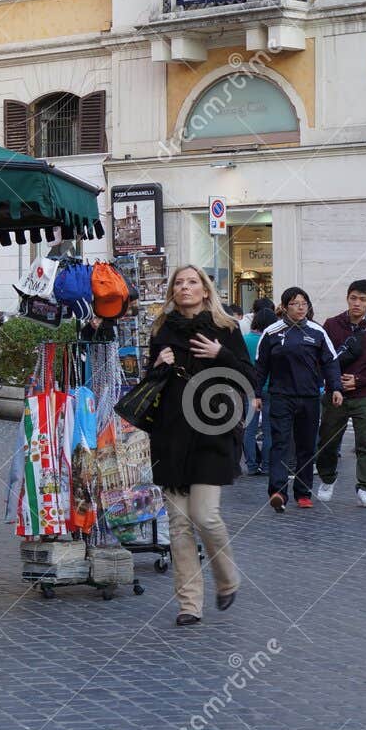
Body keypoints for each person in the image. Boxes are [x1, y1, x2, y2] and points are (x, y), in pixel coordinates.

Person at [147, 266, 256, 626]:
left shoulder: (224, 329)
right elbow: (151, 385)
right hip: (171, 436)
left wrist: (220, 354)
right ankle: (189, 604)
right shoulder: (162, 331)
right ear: (172, 292)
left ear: (206, 290)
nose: (185, 287)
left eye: (192, 282)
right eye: (179, 283)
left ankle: (227, 578)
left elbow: (249, 378)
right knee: (178, 525)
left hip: (212, 433)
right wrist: (158, 365)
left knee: (205, 515)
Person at [256, 286, 343, 512]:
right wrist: (255, 394)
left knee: (306, 445)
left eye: (304, 303)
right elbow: (260, 366)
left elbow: (331, 362)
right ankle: (278, 492)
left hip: (310, 397)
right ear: (284, 307)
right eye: (295, 303)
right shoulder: (272, 333)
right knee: (280, 444)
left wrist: (336, 388)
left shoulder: (317, 332)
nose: (301, 307)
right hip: (281, 397)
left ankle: (303, 493)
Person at [317, 279, 366, 507]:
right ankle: (327, 479)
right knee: (328, 440)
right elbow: (323, 357)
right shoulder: (331, 324)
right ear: (347, 298)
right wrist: (336, 381)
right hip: (334, 393)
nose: (357, 303)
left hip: (365, 393)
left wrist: (358, 380)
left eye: (362, 300)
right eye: (353, 298)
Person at [242, 298, 277, 477]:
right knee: (270, 429)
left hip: (249, 388)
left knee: (250, 428)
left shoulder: (245, 339)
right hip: (270, 388)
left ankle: (252, 465)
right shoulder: (273, 340)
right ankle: (267, 465)